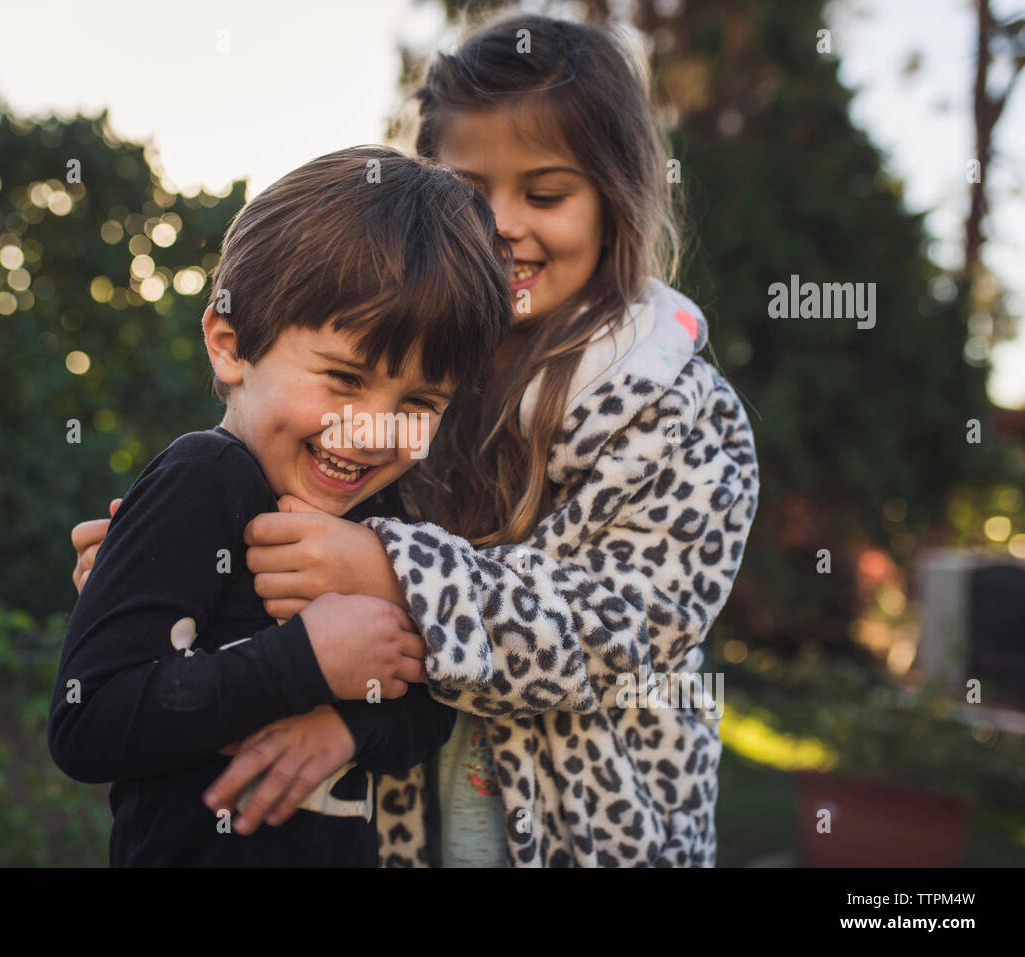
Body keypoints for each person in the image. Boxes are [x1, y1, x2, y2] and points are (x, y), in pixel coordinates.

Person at [72, 14, 760, 868]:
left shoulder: (679, 408)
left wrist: (387, 569)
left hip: (585, 828)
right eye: (473, 192)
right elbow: (287, 584)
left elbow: (621, 632)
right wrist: (168, 564)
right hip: (400, 827)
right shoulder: (411, 383)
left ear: (615, 203)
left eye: (545, 194)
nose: (504, 224)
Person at [47, 144, 513, 866]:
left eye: (418, 401)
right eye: (344, 379)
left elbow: (427, 705)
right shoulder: (201, 483)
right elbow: (87, 720)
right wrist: (303, 661)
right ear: (231, 346)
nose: (371, 431)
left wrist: (348, 727)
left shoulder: (388, 527)